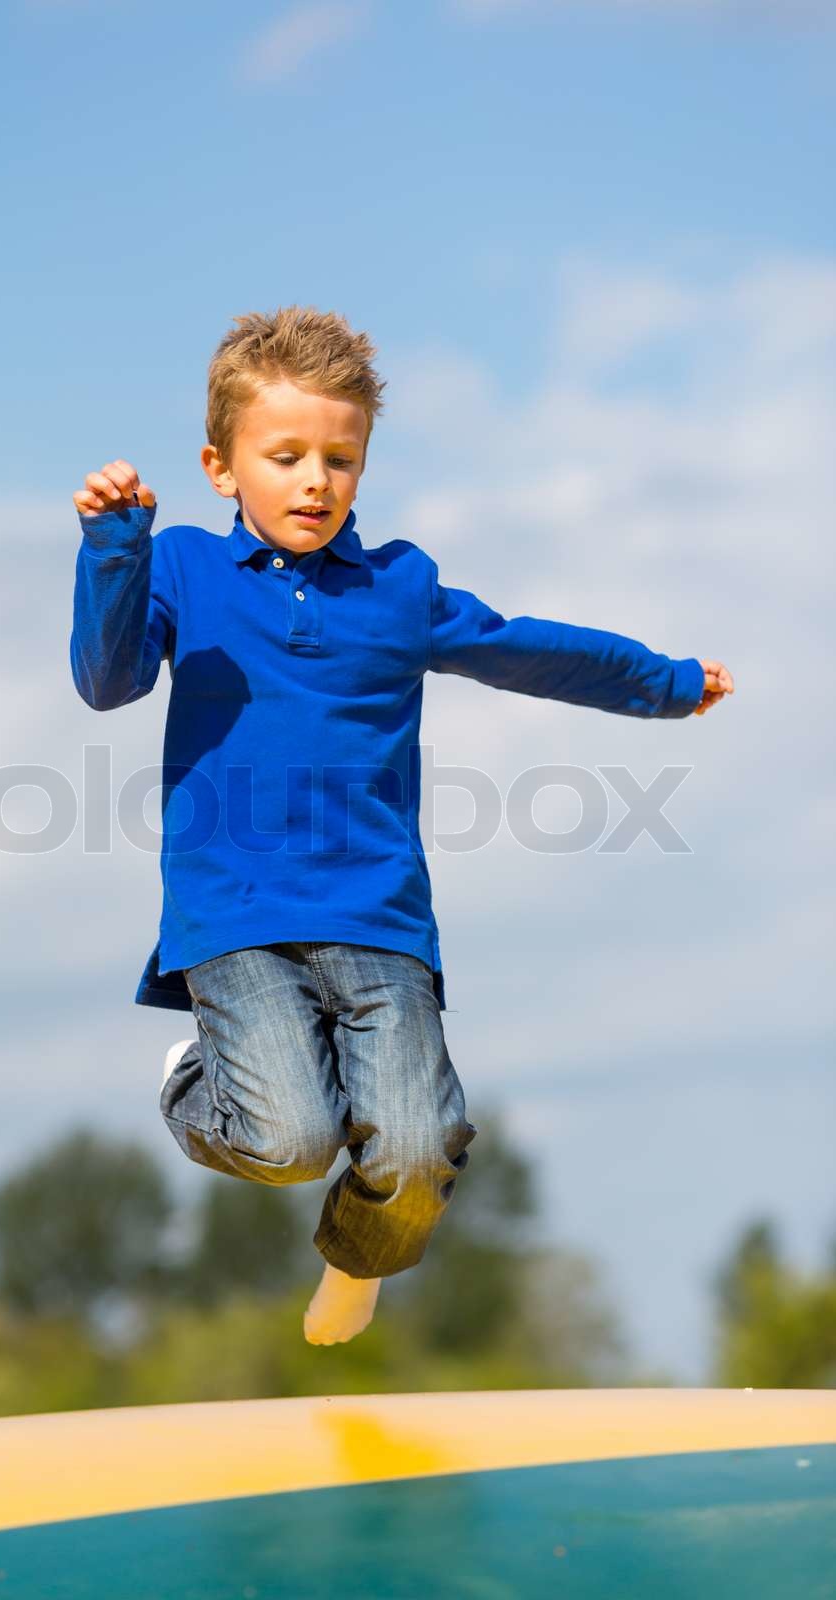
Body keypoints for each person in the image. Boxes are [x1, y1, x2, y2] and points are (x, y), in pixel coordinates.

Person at [70, 306, 735, 1347]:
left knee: (418, 1152)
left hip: (376, 915)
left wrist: (663, 683)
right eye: (283, 455)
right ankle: (196, 1082)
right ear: (219, 464)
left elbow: (527, 647)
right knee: (290, 1136)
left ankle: (355, 1260)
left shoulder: (399, 589)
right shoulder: (184, 570)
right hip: (234, 914)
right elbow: (106, 682)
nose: (312, 480)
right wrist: (116, 548)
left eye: (339, 459)